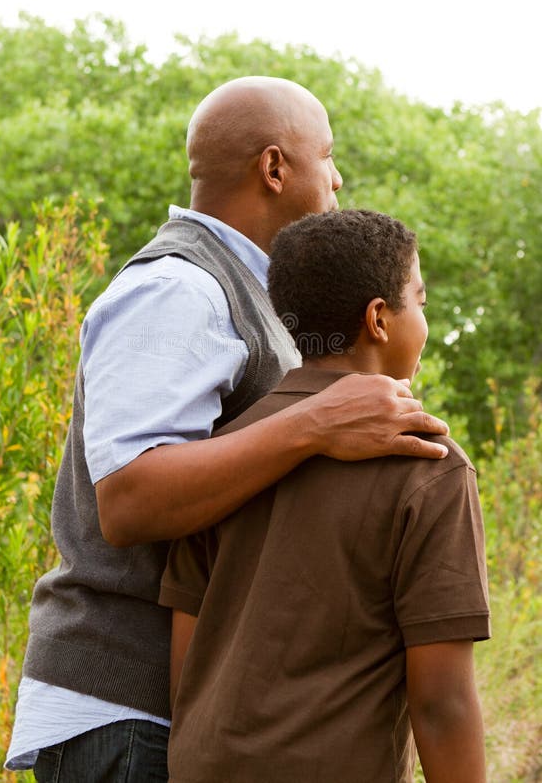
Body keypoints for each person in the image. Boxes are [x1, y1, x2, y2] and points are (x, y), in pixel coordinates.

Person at [6, 77, 450, 782]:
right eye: (326, 155)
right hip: (128, 715)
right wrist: (315, 422)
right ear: (275, 168)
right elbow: (129, 499)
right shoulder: (178, 289)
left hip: (182, 717)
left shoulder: (247, 294)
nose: (338, 177)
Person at [160, 209, 490, 783]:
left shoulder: (219, 455)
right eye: (421, 301)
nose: (426, 319)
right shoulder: (429, 464)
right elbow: (442, 704)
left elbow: (188, 668)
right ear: (379, 320)